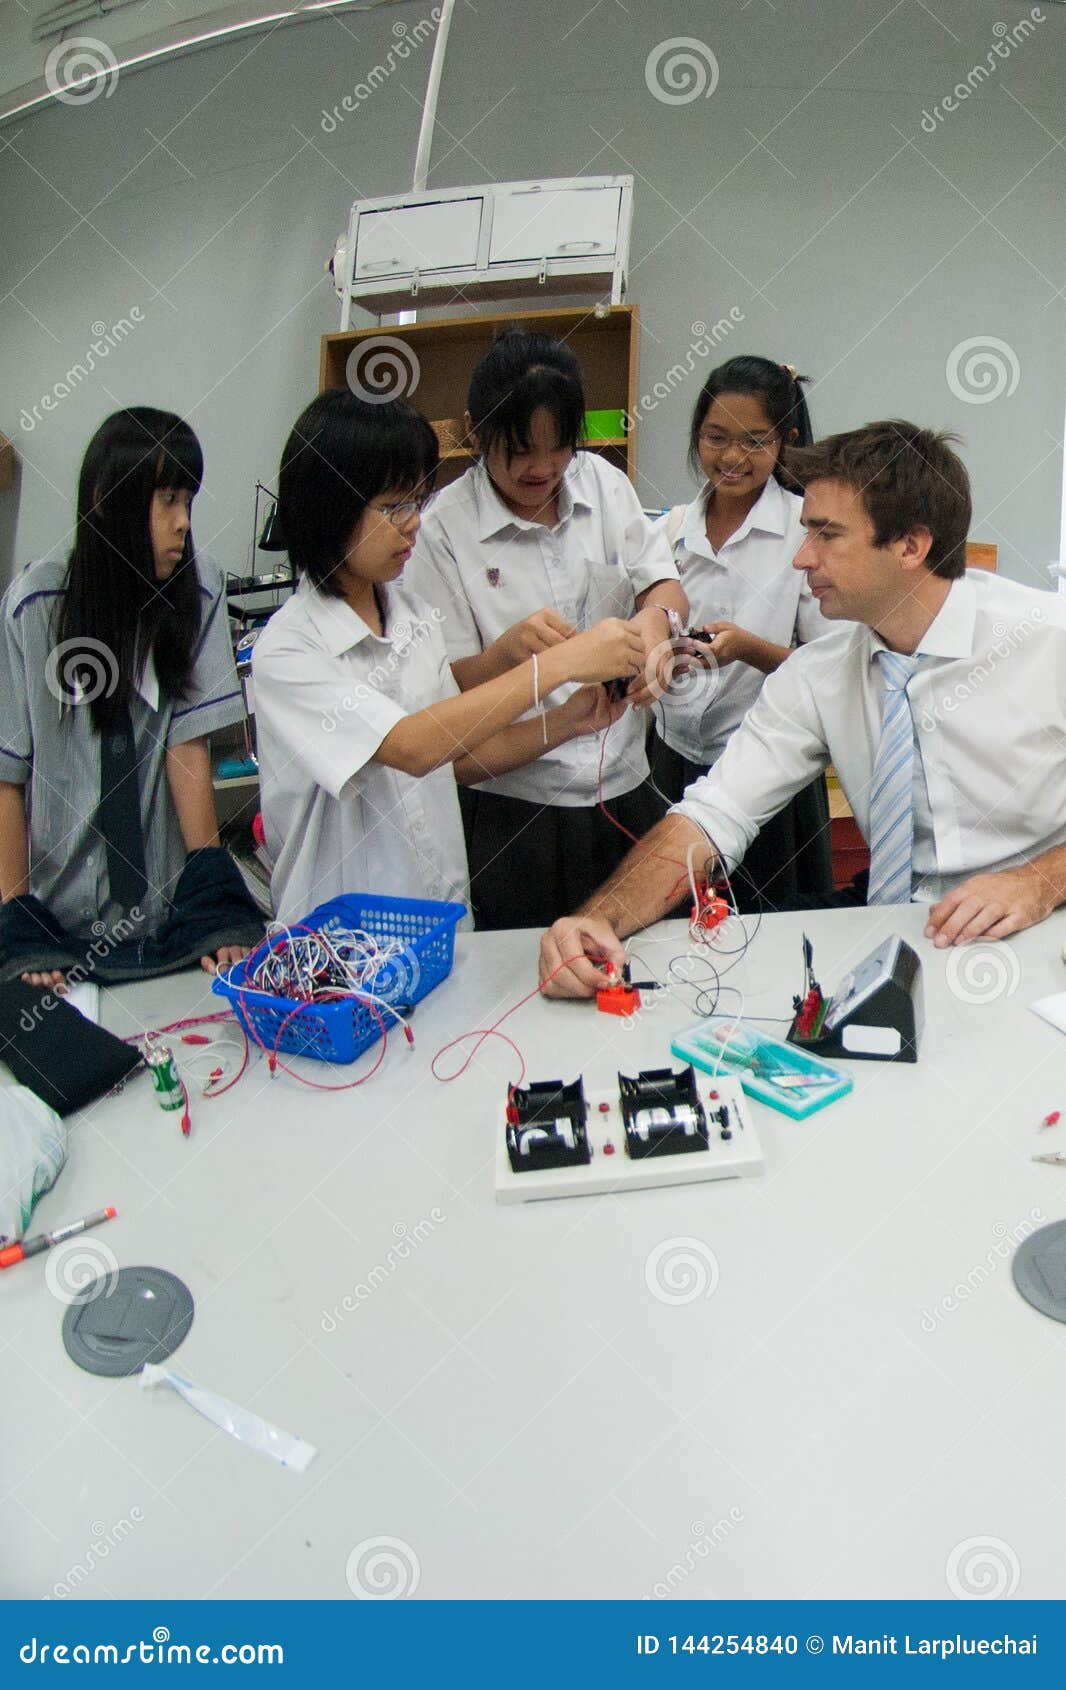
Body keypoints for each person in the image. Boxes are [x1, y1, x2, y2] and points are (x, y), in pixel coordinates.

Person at [538, 420, 1066, 996]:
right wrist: (599, 919)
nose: (800, 559)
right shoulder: (819, 673)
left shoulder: (1046, 639)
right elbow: (712, 816)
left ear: (911, 545)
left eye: (826, 535)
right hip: (902, 918)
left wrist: (1040, 882)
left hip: (1044, 929)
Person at [252, 390, 646, 926]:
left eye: (418, 499)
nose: (414, 523)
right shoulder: (289, 649)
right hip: (338, 943)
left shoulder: (414, 618)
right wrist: (561, 664)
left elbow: (458, 760)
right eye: (394, 507)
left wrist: (568, 721)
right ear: (330, 507)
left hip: (439, 921)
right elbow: (413, 746)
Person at [404, 328, 687, 930]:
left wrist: (656, 629)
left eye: (559, 447)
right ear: (477, 433)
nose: (543, 468)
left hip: (627, 785)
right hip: (514, 811)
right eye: (520, 450)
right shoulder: (440, 532)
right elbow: (446, 695)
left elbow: (662, 586)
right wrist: (508, 655)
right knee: (525, 988)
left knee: (641, 973)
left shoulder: (601, 484)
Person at [0, 407, 262, 988]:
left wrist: (212, 902)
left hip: (163, 922)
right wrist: (20, 926)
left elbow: (185, 749)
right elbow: (7, 779)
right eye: (167, 499)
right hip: (57, 925)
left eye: (189, 501)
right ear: (105, 500)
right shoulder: (33, 607)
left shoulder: (198, 590)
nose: (184, 523)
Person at [651, 355, 835, 911]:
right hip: (673, 757)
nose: (732, 457)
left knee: (769, 926)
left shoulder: (806, 531)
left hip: (771, 774)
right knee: (681, 921)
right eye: (715, 437)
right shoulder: (670, 529)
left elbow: (831, 673)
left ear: (787, 442)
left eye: (755, 441)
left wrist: (748, 650)